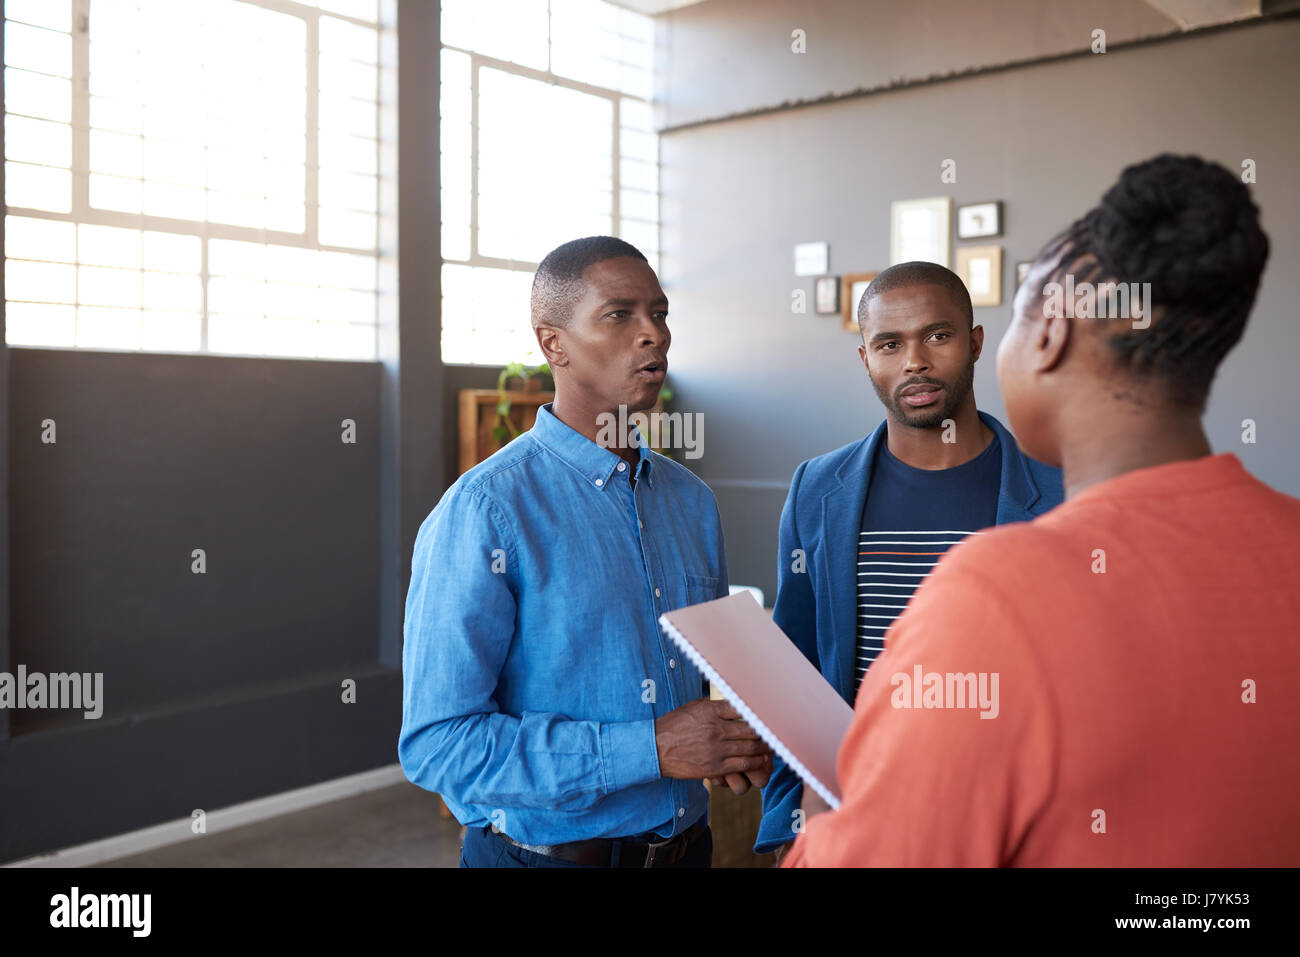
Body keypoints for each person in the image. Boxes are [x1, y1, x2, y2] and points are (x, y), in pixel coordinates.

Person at [782, 153, 1300, 866]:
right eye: (890, 343)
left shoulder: (994, 590)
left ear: (1047, 338)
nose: (917, 361)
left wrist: (816, 823)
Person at [399, 236, 771, 868]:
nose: (653, 334)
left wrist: (731, 739)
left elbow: (701, 683)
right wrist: (651, 748)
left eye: (660, 313)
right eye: (620, 314)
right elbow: (440, 744)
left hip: (688, 851)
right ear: (554, 345)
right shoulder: (485, 509)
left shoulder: (691, 501)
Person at [756, 261, 1062, 861]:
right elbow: (795, 669)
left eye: (937, 336)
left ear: (974, 343)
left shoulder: (1057, 488)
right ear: (865, 358)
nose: (914, 361)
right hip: (861, 816)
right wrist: (794, 826)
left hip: (1014, 821)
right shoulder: (818, 488)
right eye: (890, 344)